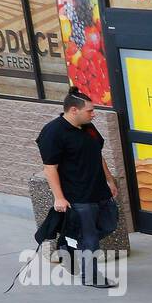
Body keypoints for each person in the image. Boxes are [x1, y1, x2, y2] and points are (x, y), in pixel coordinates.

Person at [35, 87, 119, 284]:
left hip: (99, 190)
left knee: (109, 224)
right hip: (78, 195)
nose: (93, 114)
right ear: (74, 110)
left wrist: (109, 180)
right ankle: (90, 276)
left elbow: (97, 154)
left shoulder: (88, 127)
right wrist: (59, 197)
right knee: (89, 239)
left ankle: (69, 244)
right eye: (90, 110)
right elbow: (50, 168)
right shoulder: (53, 132)